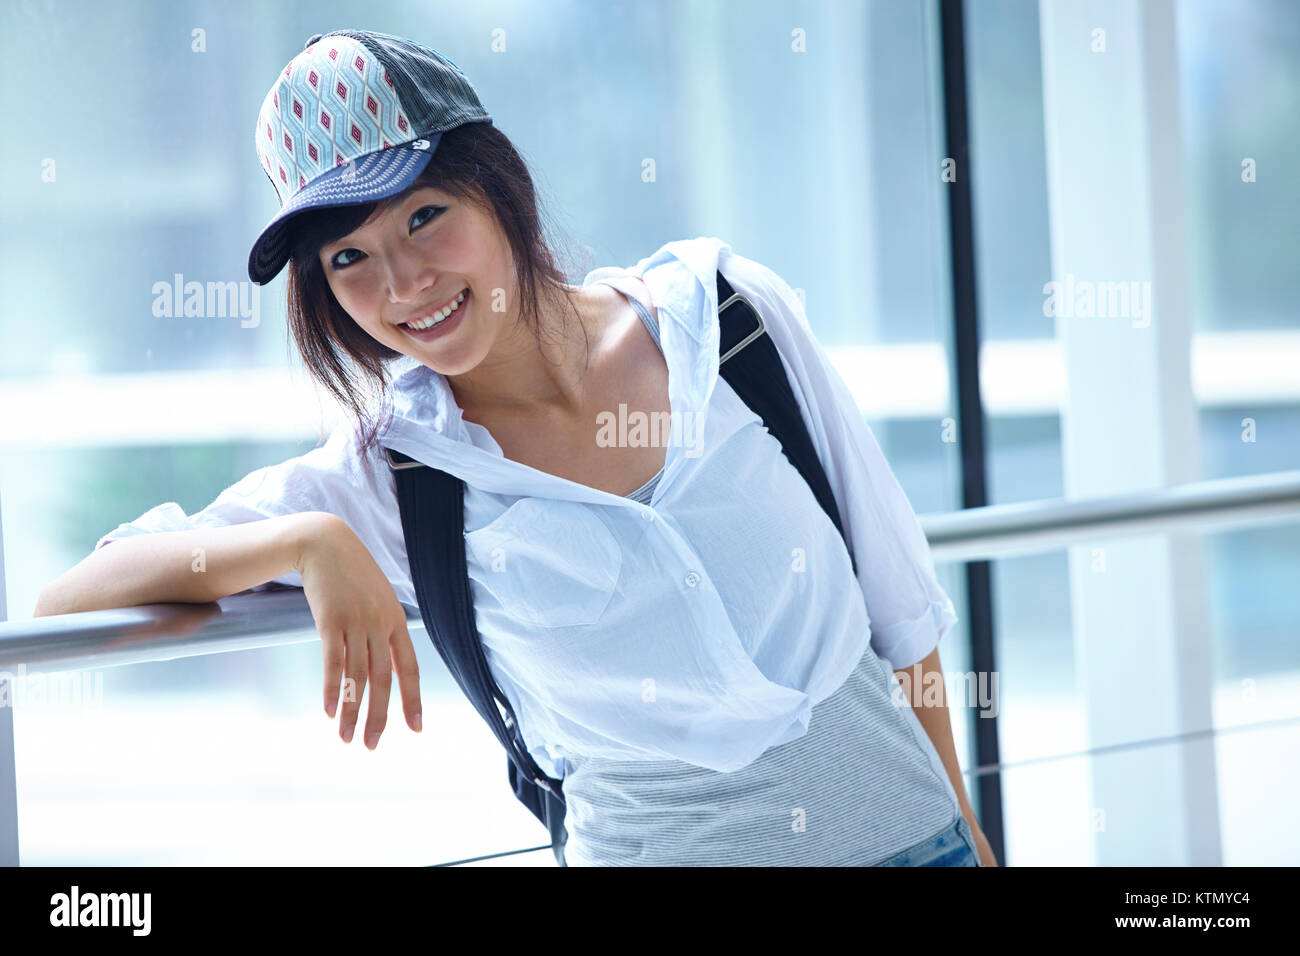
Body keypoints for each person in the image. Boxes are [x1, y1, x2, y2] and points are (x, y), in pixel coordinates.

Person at [36, 29, 996, 867]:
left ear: (500, 190)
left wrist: (972, 835)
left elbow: (901, 614)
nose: (405, 282)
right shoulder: (394, 476)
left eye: (424, 216)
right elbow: (70, 597)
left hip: (918, 845)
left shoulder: (731, 320)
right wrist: (305, 544)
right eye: (349, 258)